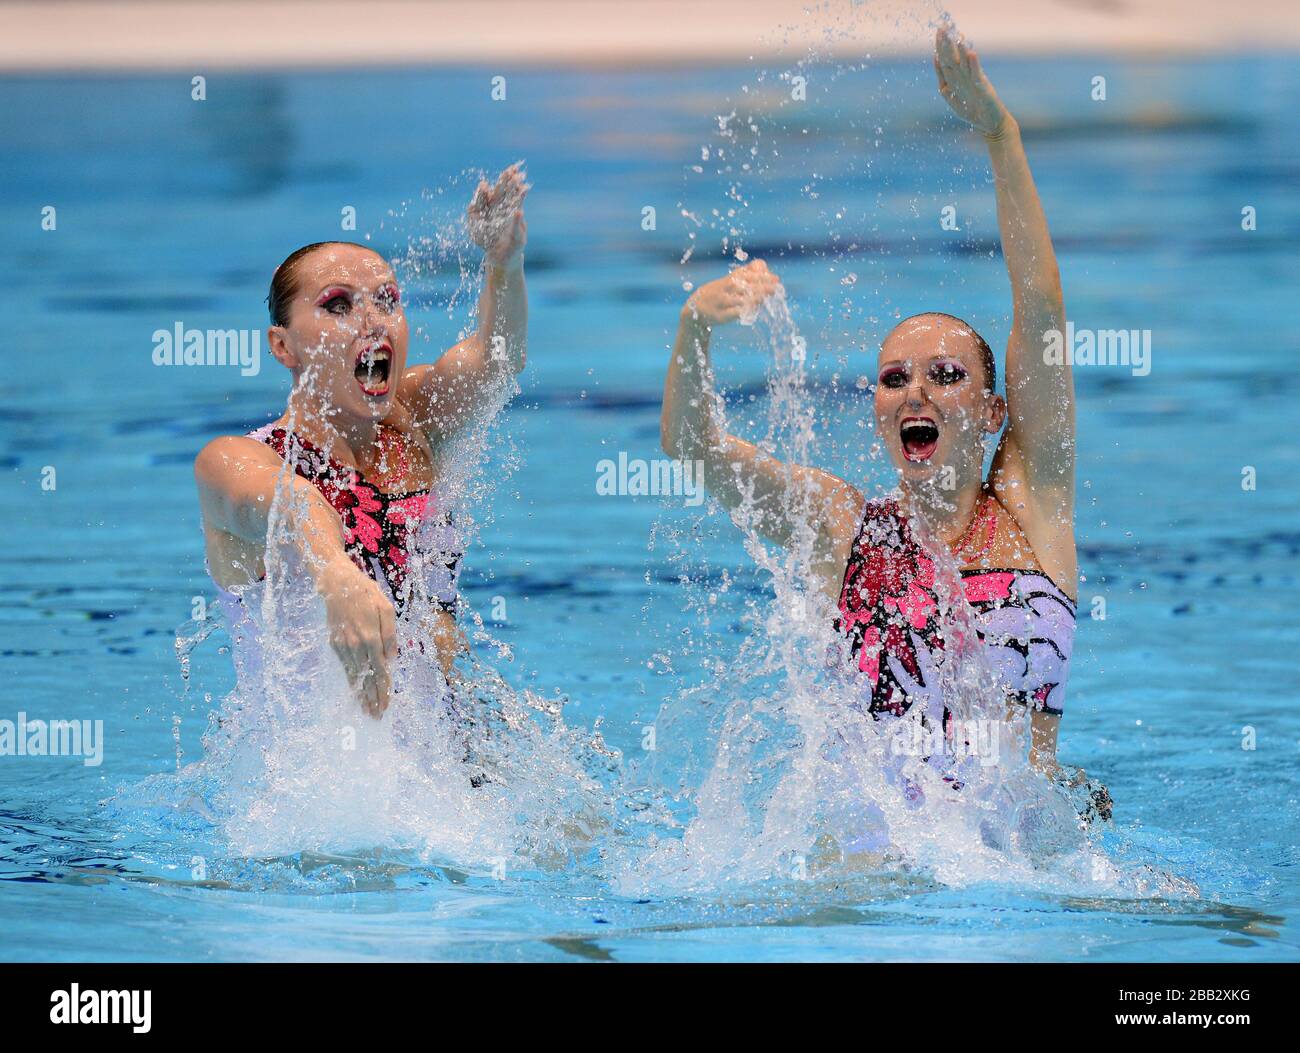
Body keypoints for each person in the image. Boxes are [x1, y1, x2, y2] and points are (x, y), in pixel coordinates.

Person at [662, 27, 1107, 815]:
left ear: (994, 410)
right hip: (881, 863)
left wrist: (1000, 134)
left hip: (1020, 862)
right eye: (894, 378)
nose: (915, 394)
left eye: (946, 376)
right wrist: (695, 329)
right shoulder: (843, 528)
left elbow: (1040, 305)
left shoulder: (1033, 506)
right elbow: (693, 449)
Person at [195, 164, 529, 720]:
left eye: (386, 299)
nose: (373, 320)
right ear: (283, 346)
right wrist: (336, 574)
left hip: (459, 762)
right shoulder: (235, 461)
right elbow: (293, 504)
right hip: (321, 787)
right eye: (338, 305)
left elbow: (499, 360)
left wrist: (505, 263)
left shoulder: (415, 422)